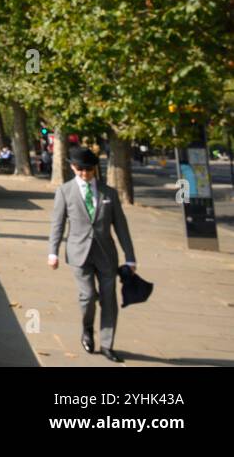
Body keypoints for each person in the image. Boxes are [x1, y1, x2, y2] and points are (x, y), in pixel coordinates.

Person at [48, 146, 137, 363]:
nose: (84, 174)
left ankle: (107, 344)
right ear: (72, 167)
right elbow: (57, 224)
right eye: (79, 169)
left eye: (88, 170)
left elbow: (121, 227)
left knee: (109, 299)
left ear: (94, 169)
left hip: (106, 255)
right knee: (87, 296)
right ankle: (87, 329)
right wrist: (53, 252)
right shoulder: (64, 191)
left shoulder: (109, 193)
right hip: (79, 254)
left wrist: (130, 257)